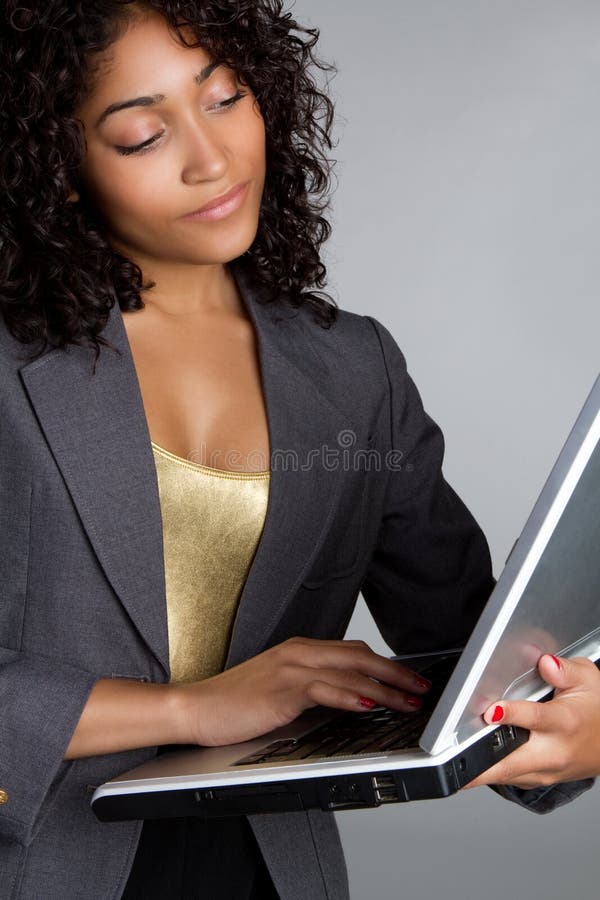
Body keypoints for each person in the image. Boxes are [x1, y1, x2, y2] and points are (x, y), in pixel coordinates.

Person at [0, 1, 596, 898]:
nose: (212, 159)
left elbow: (473, 645)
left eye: (227, 97)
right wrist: (191, 707)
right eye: (140, 136)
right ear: (53, 165)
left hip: (269, 872)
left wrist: (565, 721)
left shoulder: (355, 369)